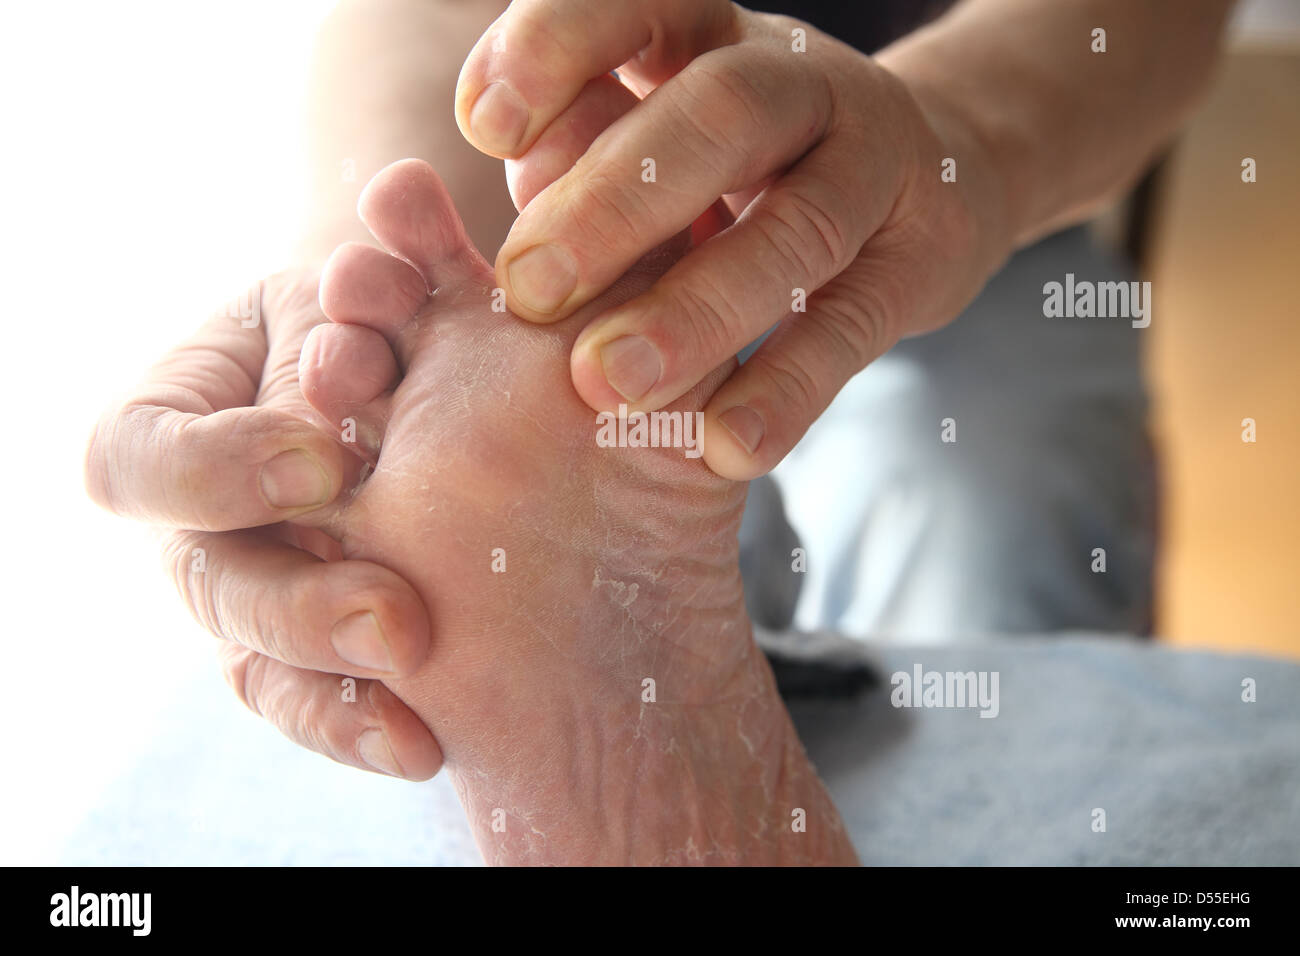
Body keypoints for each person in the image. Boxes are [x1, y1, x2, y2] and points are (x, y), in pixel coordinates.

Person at [85, 0, 1235, 824]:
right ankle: (623, 644)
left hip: (973, 189)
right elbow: (432, 24)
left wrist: (962, 144)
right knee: (559, 446)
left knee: (994, 473)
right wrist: (372, 320)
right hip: (599, 235)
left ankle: (919, 776)